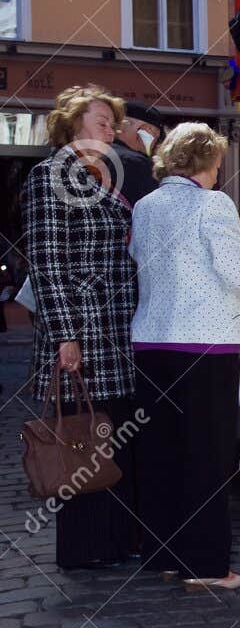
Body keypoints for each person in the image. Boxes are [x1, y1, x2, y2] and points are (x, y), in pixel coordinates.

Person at [130, 122, 240, 592]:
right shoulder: (213, 204)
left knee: (162, 452)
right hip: (204, 345)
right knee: (207, 456)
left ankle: (164, 554)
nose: (219, 171)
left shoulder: (144, 206)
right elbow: (236, 274)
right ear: (206, 161)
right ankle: (207, 565)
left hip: (151, 343)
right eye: (218, 162)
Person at [21, 85, 139, 569]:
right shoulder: (50, 176)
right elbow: (46, 261)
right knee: (81, 439)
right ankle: (87, 549)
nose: (110, 131)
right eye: (100, 123)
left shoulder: (102, 177)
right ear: (72, 127)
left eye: (112, 124)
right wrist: (66, 334)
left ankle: (118, 540)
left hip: (114, 328)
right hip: (80, 332)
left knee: (113, 435)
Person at [113, 101, 163, 207]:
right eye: (156, 137)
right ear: (147, 130)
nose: (155, 143)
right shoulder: (138, 164)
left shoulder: (92, 152)